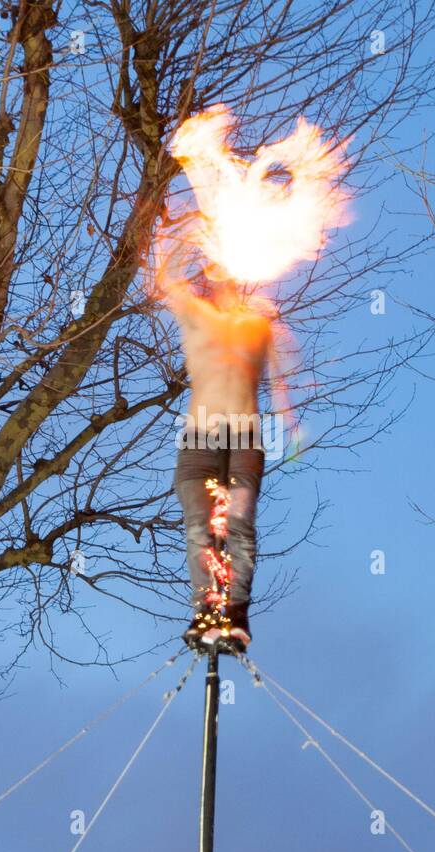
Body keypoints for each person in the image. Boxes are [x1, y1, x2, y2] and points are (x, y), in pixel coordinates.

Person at [158, 251, 274, 652]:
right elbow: (164, 278)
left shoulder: (254, 325)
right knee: (199, 528)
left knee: (239, 523)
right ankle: (207, 611)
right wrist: (176, 232)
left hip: (245, 439)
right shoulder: (195, 318)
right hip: (199, 438)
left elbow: (286, 368)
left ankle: (235, 613)